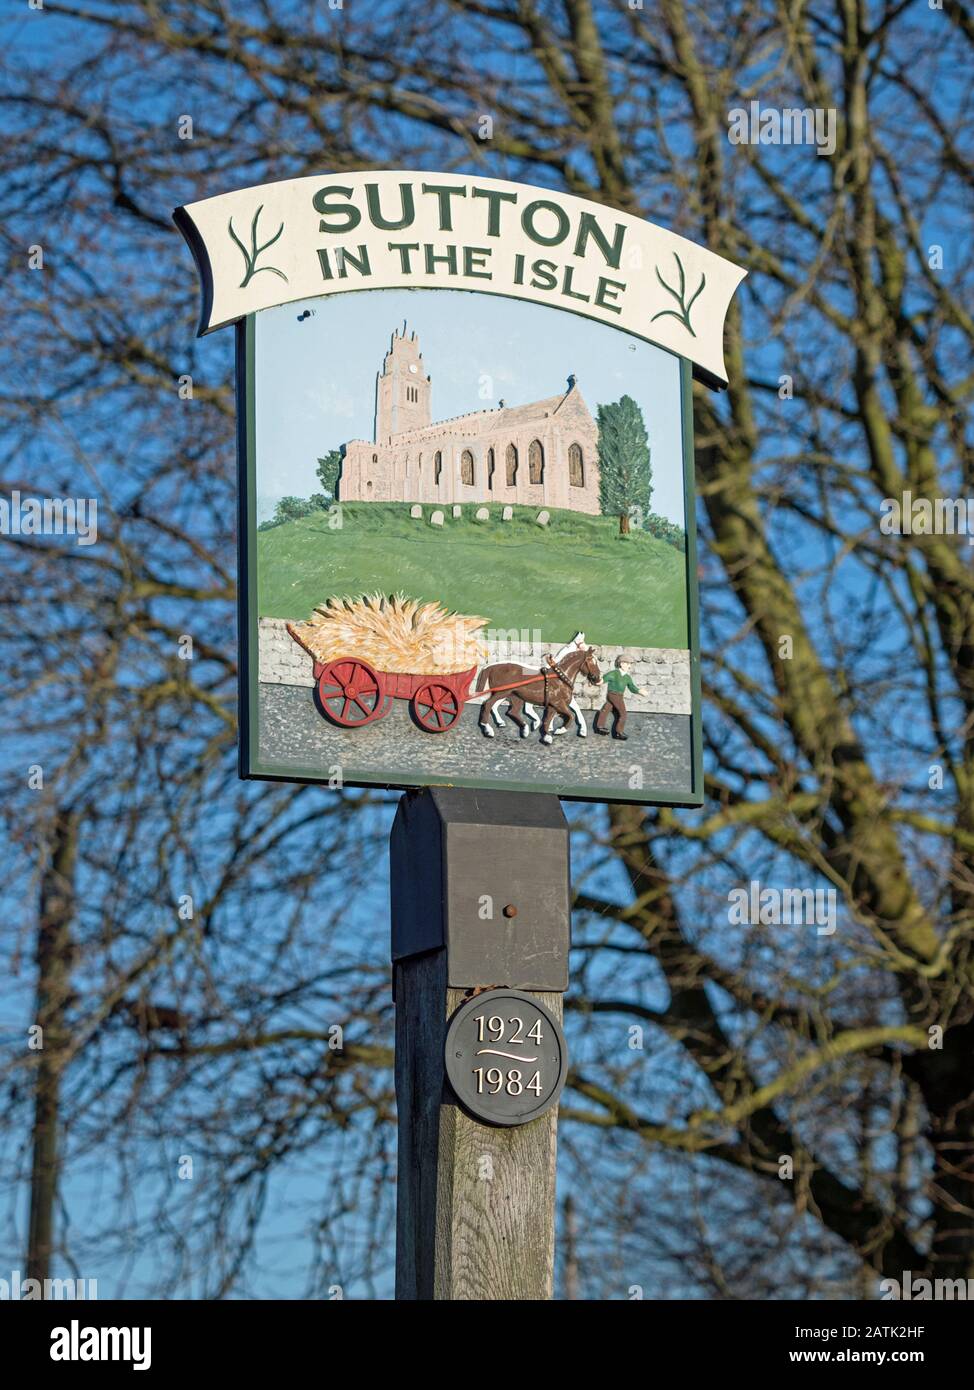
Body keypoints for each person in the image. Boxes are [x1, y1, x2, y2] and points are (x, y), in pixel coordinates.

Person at [594, 656, 643, 740]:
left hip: (618, 696)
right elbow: (603, 679)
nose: (629, 666)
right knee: (623, 714)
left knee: (606, 708)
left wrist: (639, 691)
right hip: (614, 695)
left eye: (630, 664)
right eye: (628, 664)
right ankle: (618, 732)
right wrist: (597, 681)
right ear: (622, 664)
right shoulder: (614, 673)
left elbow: (632, 687)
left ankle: (600, 726)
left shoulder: (627, 677)